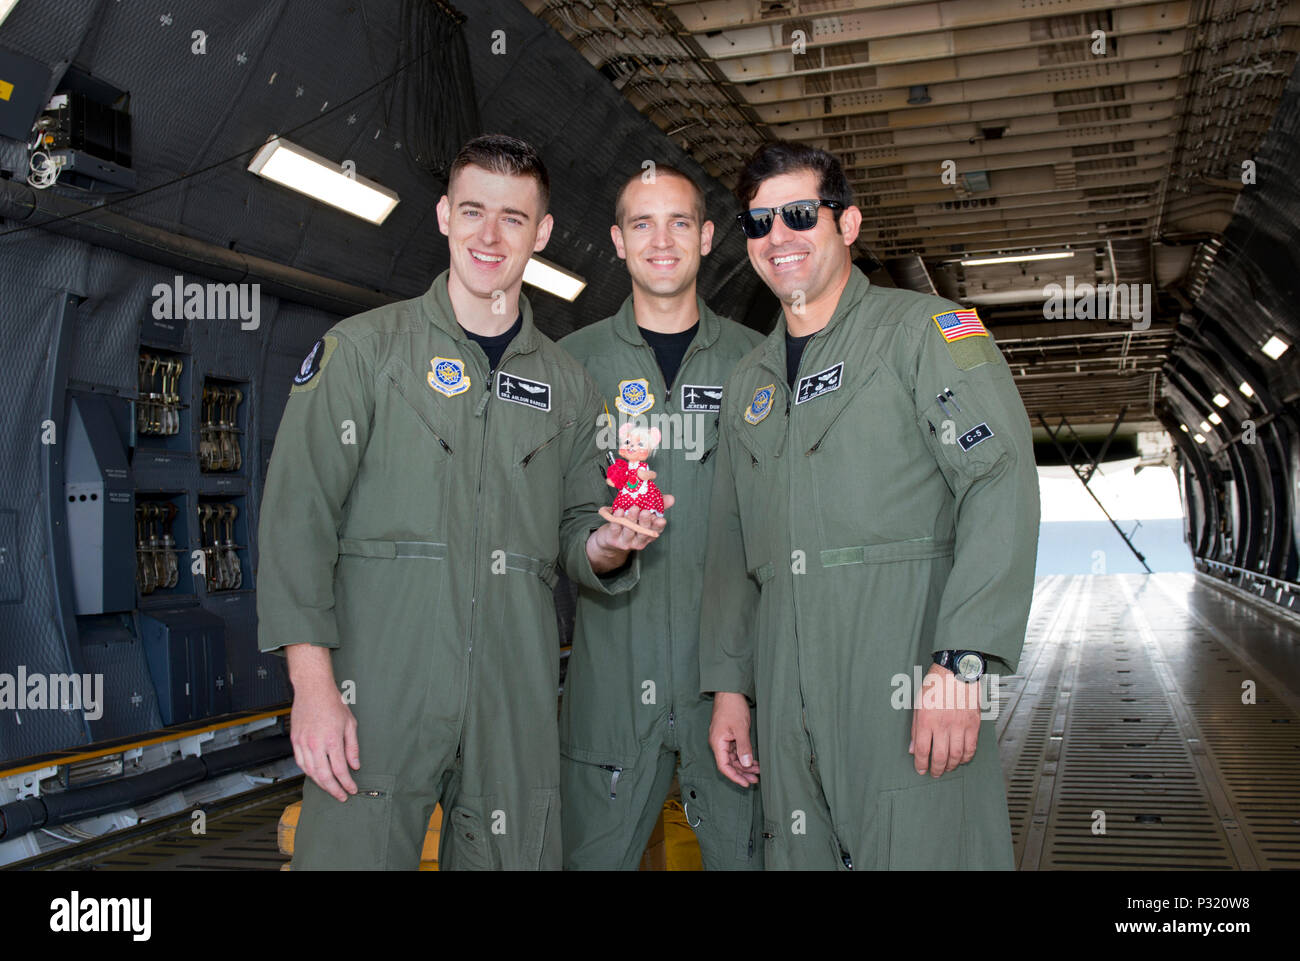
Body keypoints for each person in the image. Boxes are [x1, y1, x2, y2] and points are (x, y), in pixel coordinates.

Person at [256, 134, 664, 871]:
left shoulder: (570, 388)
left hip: (515, 694)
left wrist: (607, 545)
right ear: (444, 214)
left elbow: (578, 529)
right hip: (377, 688)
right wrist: (312, 685)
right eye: (473, 210)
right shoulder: (364, 354)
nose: (489, 235)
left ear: (540, 234)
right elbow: (297, 517)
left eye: (513, 218)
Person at [701, 141, 1040, 870]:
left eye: (799, 214)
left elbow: (998, 478)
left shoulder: (927, 334)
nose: (778, 238)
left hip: (905, 674)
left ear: (847, 223)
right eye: (758, 224)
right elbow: (732, 544)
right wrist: (731, 687)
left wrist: (964, 660)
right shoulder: (748, 383)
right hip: (785, 696)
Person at [557, 164, 765, 870]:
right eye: (642, 224)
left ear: (707, 237)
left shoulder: (757, 366)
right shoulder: (571, 368)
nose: (662, 240)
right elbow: (544, 528)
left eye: (680, 221)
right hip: (611, 688)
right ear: (616, 241)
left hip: (730, 687)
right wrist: (600, 551)